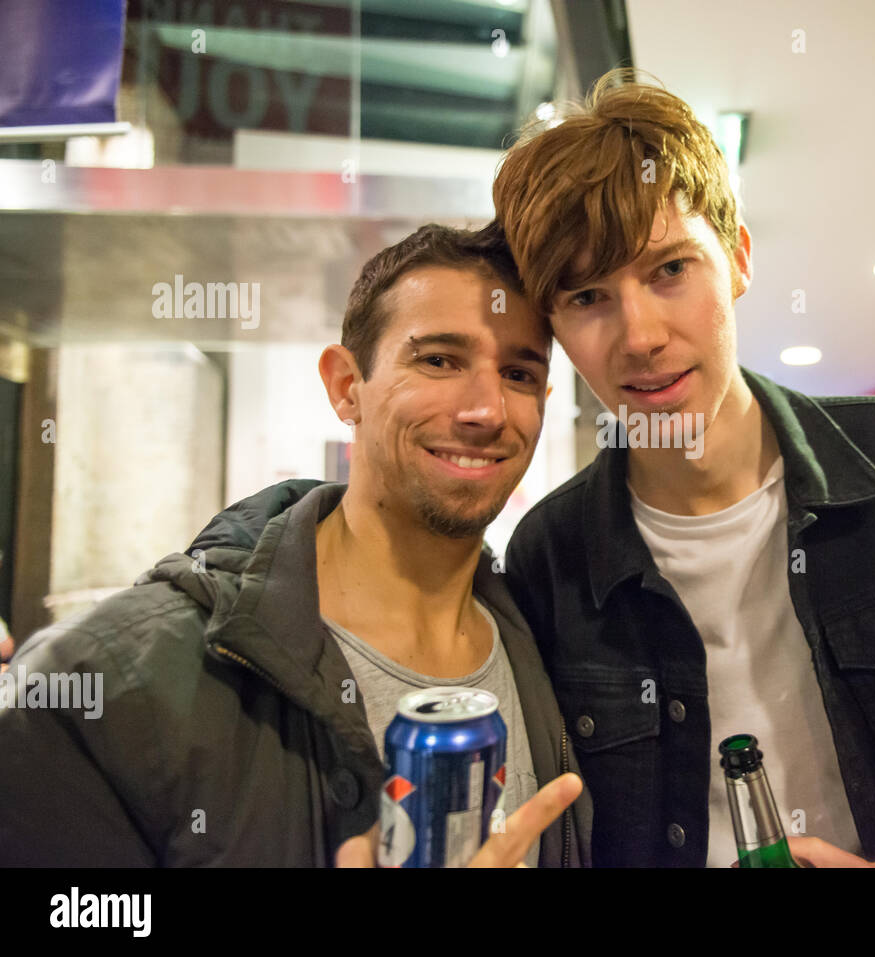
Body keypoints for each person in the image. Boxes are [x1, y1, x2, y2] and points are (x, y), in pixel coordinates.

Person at [492, 69, 875, 867]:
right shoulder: (551, 553)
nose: (638, 335)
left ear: (738, 259)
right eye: (587, 297)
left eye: (670, 269)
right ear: (557, 327)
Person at [0, 223, 591, 867]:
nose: (486, 410)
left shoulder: (552, 648)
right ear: (345, 385)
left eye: (518, 373)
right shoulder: (105, 682)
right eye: (439, 360)